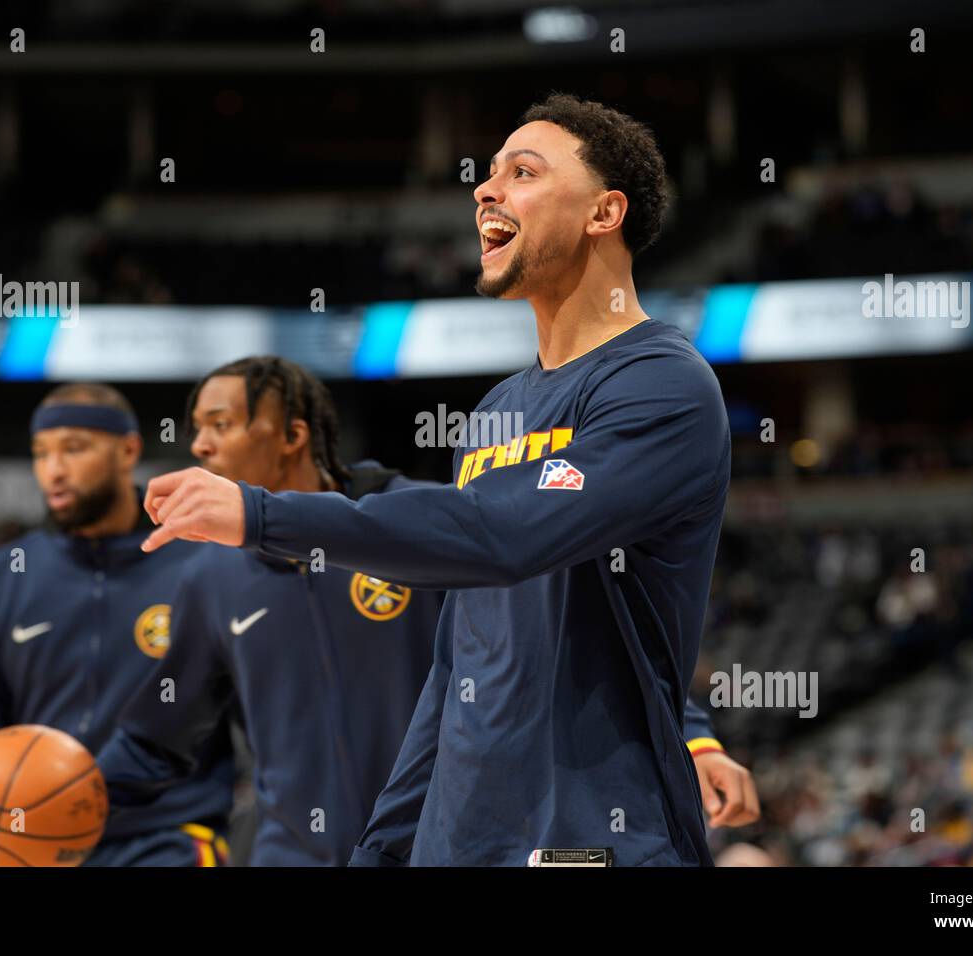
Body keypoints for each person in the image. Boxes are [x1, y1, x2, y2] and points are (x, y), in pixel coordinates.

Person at [138, 94, 757, 865]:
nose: (484, 190)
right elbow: (459, 663)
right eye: (489, 173)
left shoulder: (660, 385)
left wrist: (263, 515)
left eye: (522, 172)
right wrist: (385, 843)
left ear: (605, 212)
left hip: (591, 838)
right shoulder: (497, 411)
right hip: (458, 841)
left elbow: (503, 537)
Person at [97, 357, 441, 865]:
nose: (199, 446)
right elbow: (157, 737)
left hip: (432, 851)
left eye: (221, 424)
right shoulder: (211, 576)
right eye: (197, 429)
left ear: (292, 435)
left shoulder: (416, 522)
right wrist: (59, 801)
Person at [0, 383, 234, 866]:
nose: (54, 470)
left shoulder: (201, 563)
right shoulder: (1, 576)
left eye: (74, 449)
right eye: (41, 454)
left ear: (128, 450)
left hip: (169, 838)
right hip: (36, 843)